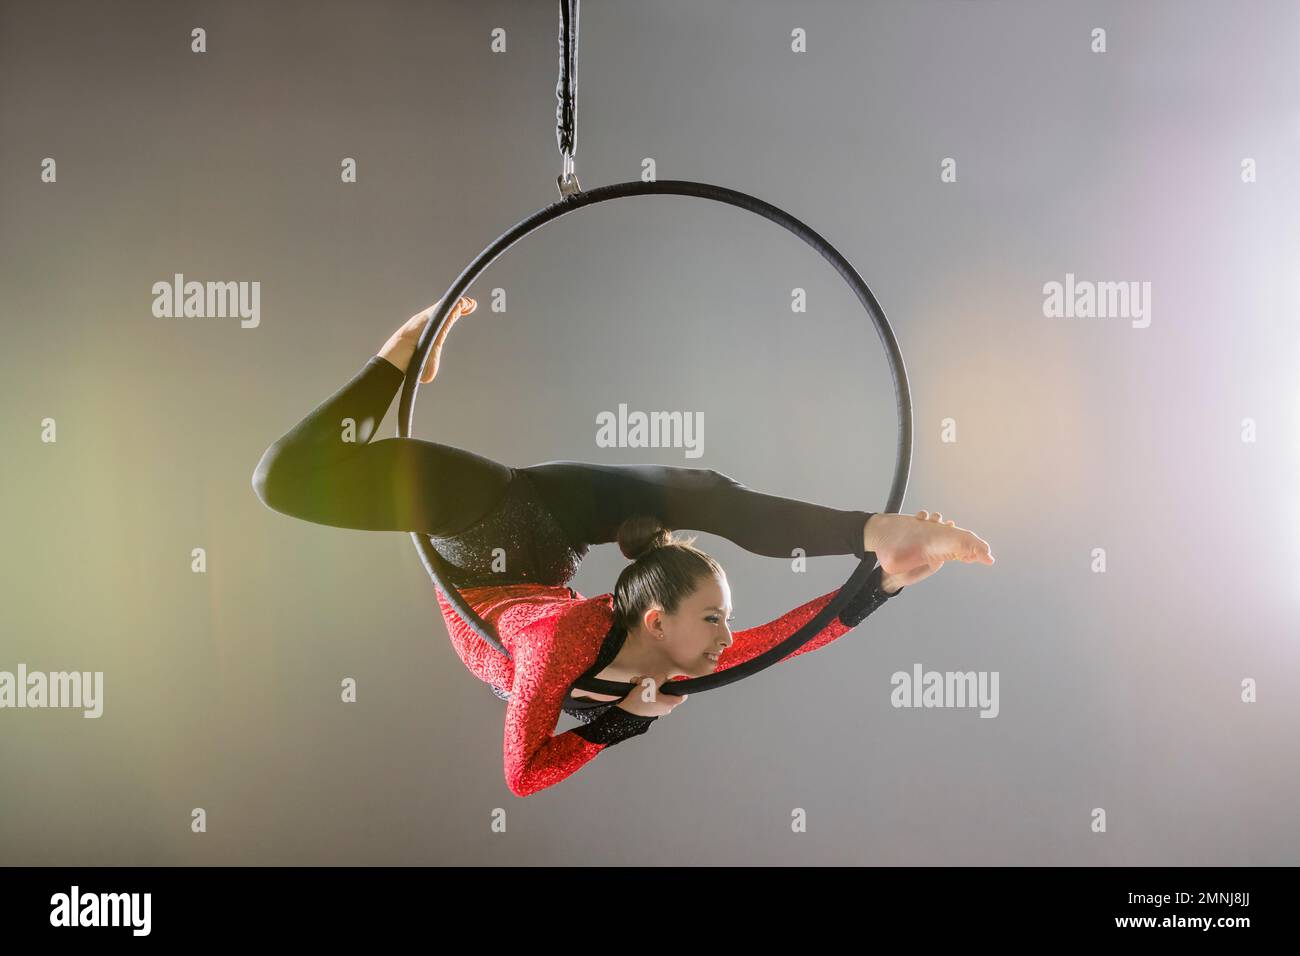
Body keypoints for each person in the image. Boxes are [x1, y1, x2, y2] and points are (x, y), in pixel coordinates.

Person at [251, 296, 995, 797]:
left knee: (288, 480)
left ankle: (877, 534)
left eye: (715, 622)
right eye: (717, 620)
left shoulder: (567, 643)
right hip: (536, 526)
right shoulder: (681, 659)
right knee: (283, 480)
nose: (728, 637)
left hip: (477, 542)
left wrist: (621, 723)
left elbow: (522, 770)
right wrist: (885, 586)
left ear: (657, 623)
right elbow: (790, 639)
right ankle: (399, 362)